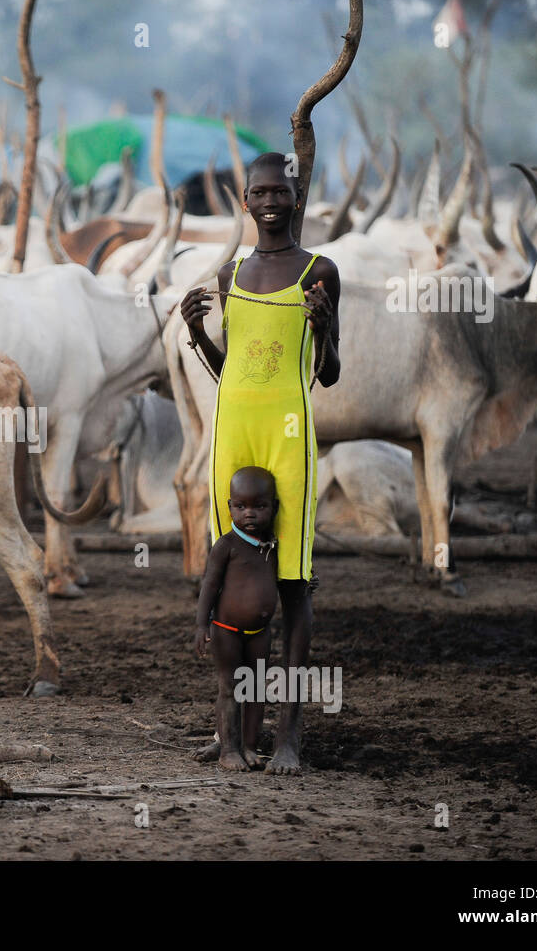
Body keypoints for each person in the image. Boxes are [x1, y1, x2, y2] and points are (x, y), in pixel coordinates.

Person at [180, 151, 341, 775]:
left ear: (295, 199)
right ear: (244, 201)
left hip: (289, 432)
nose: (270, 201)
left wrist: (323, 329)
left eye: (281, 191)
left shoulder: (321, 271)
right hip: (233, 432)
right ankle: (234, 734)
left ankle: (290, 736)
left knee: (293, 580)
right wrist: (197, 334)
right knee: (231, 577)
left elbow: (327, 373)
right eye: (259, 192)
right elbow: (229, 372)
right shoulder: (232, 272)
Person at [194, 466, 281, 770]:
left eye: (260, 506)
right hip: (226, 630)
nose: (250, 514)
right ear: (229, 507)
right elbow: (209, 585)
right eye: (241, 506)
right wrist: (201, 624)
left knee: (256, 688)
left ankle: (249, 746)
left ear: (274, 507)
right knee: (230, 687)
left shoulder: (274, 545)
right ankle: (228, 749)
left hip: (260, 632)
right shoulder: (226, 546)